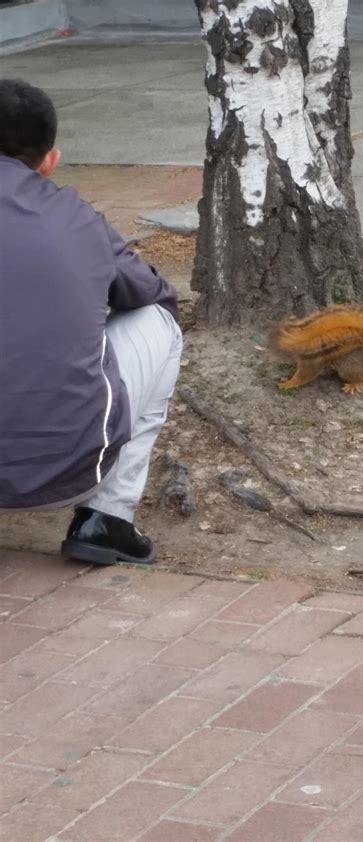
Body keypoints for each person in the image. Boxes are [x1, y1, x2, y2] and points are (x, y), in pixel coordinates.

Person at [0, 78, 183, 566]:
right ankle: (107, 519)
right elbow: (150, 294)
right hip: (63, 469)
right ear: (50, 160)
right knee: (159, 323)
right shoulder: (76, 217)